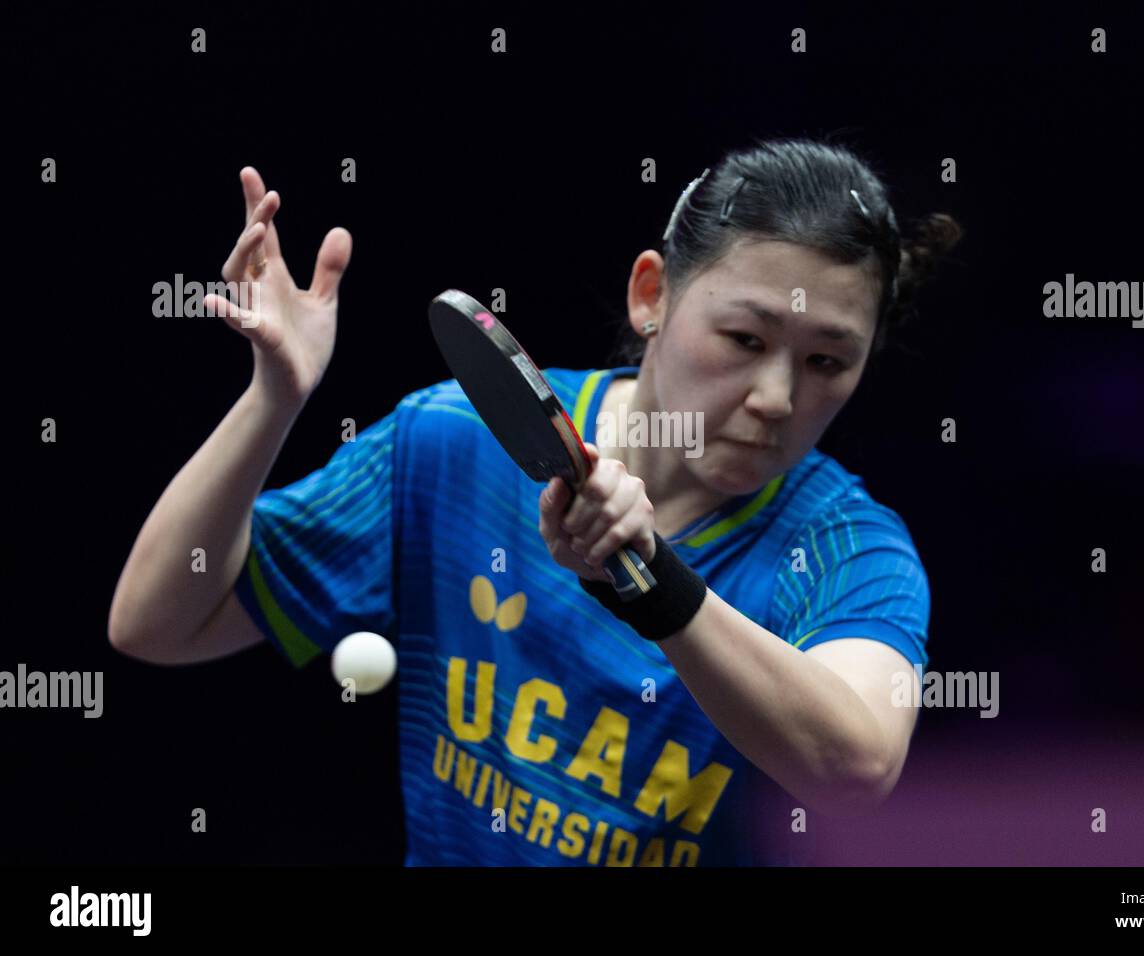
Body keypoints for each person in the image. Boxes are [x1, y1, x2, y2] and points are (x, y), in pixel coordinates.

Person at [108, 136, 962, 866]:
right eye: (745, 338)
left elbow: (855, 768)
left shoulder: (846, 547)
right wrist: (274, 399)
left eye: (826, 362)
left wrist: (653, 585)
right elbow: (156, 622)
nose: (776, 397)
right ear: (652, 294)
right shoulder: (455, 442)